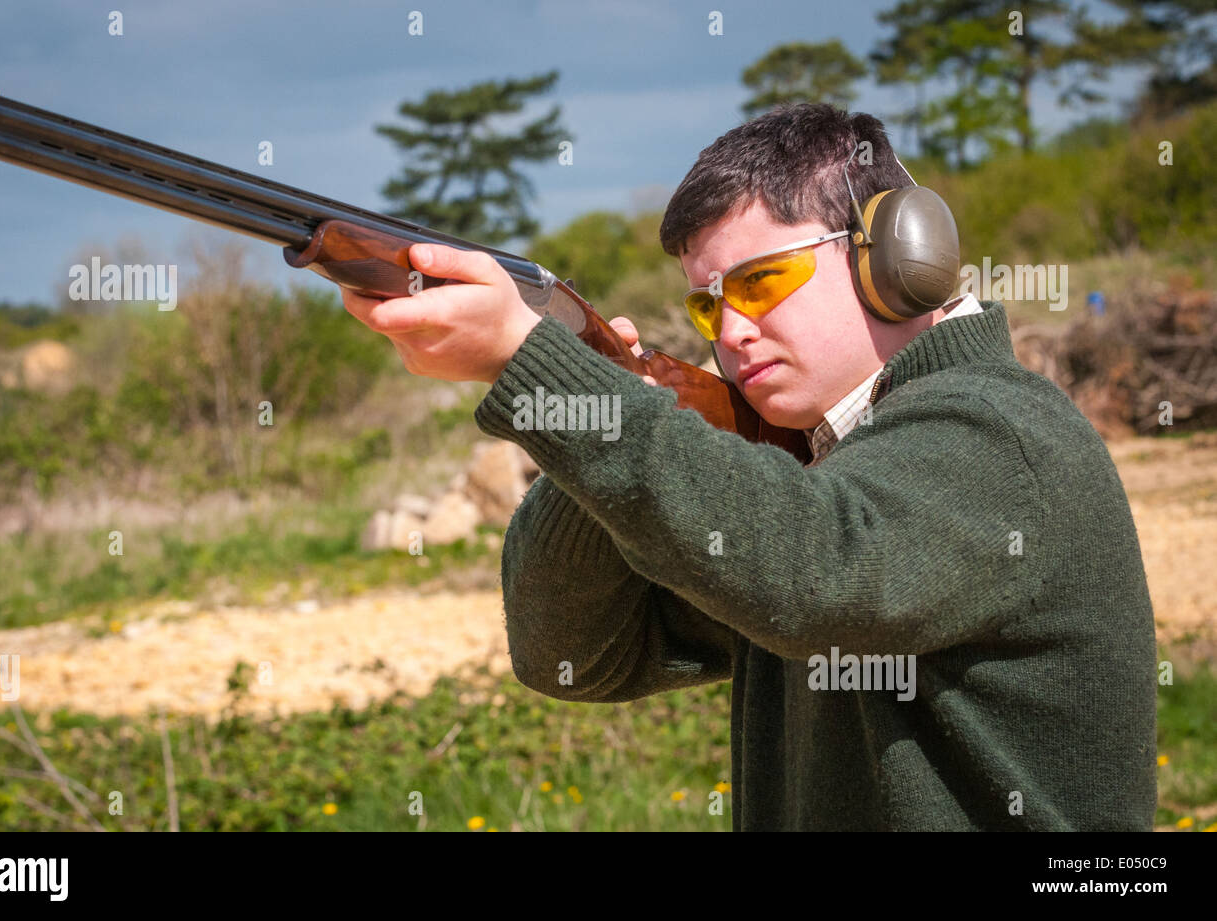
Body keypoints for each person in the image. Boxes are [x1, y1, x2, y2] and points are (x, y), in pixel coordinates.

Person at [341, 104, 1157, 831]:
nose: (729, 331)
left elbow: (816, 572)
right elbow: (573, 651)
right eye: (709, 303)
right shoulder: (815, 468)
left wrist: (543, 367)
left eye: (762, 282)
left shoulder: (997, 430)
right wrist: (603, 399)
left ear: (900, 257)